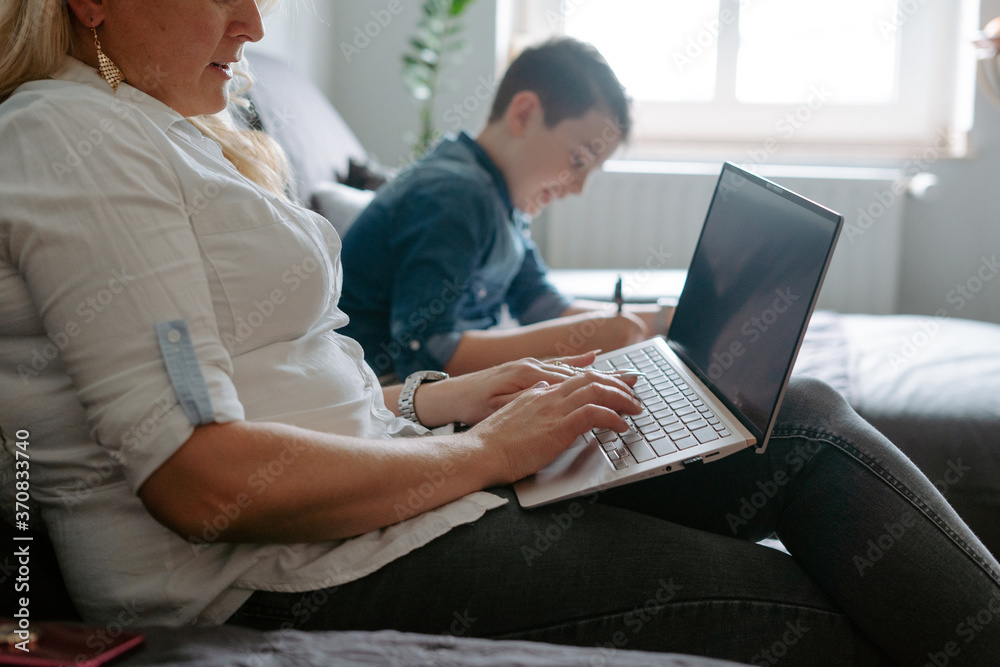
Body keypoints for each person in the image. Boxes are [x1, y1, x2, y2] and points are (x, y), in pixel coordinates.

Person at [1, 1, 999, 665]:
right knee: (821, 610)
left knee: (806, 422)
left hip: (388, 484)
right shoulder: (70, 134)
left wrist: (447, 403)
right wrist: (485, 454)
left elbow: (291, 381)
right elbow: (201, 481)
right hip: (285, 571)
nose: (255, 20)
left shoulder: (158, 129)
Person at [339, 38, 666, 382]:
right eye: (578, 160)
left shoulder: (501, 199)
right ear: (524, 114)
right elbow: (428, 354)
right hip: (381, 394)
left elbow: (541, 306)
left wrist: (663, 320)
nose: (578, 188)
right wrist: (570, 340)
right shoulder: (453, 196)